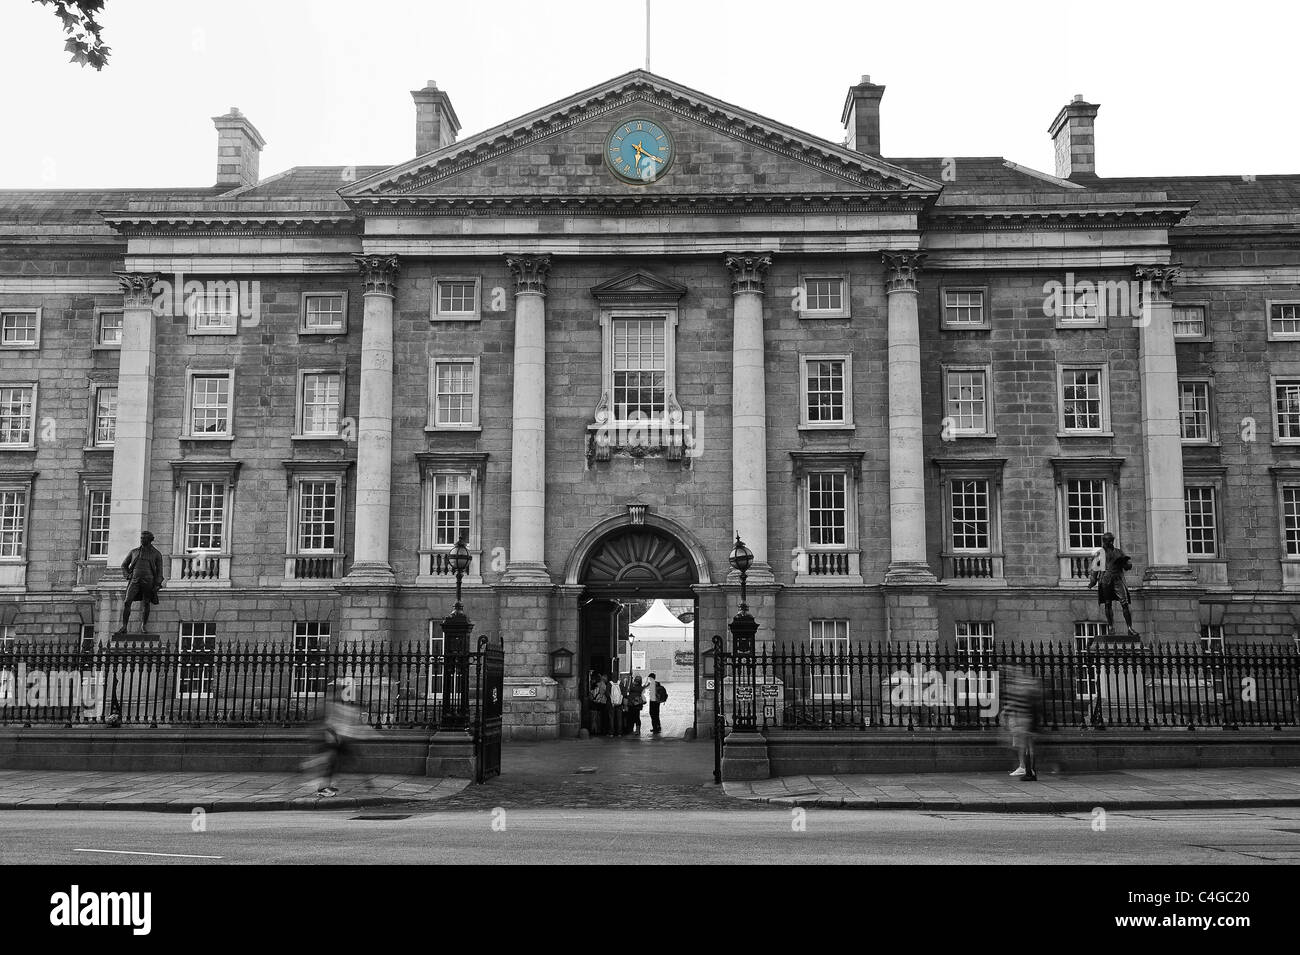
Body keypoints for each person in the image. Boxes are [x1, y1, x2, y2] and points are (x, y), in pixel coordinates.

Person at [1089, 531, 1139, 638]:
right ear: (1104, 542)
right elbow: (1094, 569)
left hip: (1117, 579)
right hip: (1105, 580)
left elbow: (1128, 565)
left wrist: (1127, 564)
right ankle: (1111, 627)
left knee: (1124, 603)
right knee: (1108, 604)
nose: (1111, 543)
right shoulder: (1099, 553)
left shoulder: (1119, 552)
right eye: (1108, 541)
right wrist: (1092, 581)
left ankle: (1130, 628)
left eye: (1112, 541)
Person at [115, 531, 164, 637]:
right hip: (135, 580)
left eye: (144, 538)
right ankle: (124, 626)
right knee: (127, 601)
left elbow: (160, 571)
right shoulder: (134, 552)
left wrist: (157, 584)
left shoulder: (156, 554)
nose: (142, 540)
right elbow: (124, 565)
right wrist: (127, 575)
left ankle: (143, 626)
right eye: (141, 538)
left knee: (146, 603)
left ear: (150, 540)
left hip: (148, 580)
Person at [1001, 663, 1042, 781]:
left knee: (1025, 746)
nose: (1014, 673)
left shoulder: (1023, 685)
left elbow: (1019, 701)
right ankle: (1030, 771)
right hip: (1028, 718)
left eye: (1017, 671)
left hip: (1025, 718)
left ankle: (1028, 771)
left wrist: (1006, 711)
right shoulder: (1028, 684)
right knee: (1028, 746)